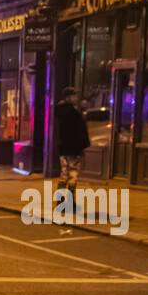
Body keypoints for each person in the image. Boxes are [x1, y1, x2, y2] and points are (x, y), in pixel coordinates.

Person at [54, 87, 90, 217]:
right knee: (73, 175)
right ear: (69, 97)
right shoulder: (73, 113)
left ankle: (60, 202)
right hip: (73, 150)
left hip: (63, 149)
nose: (76, 98)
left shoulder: (59, 112)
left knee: (64, 174)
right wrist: (82, 147)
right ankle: (70, 203)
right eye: (74, 96)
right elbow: (79, 132)